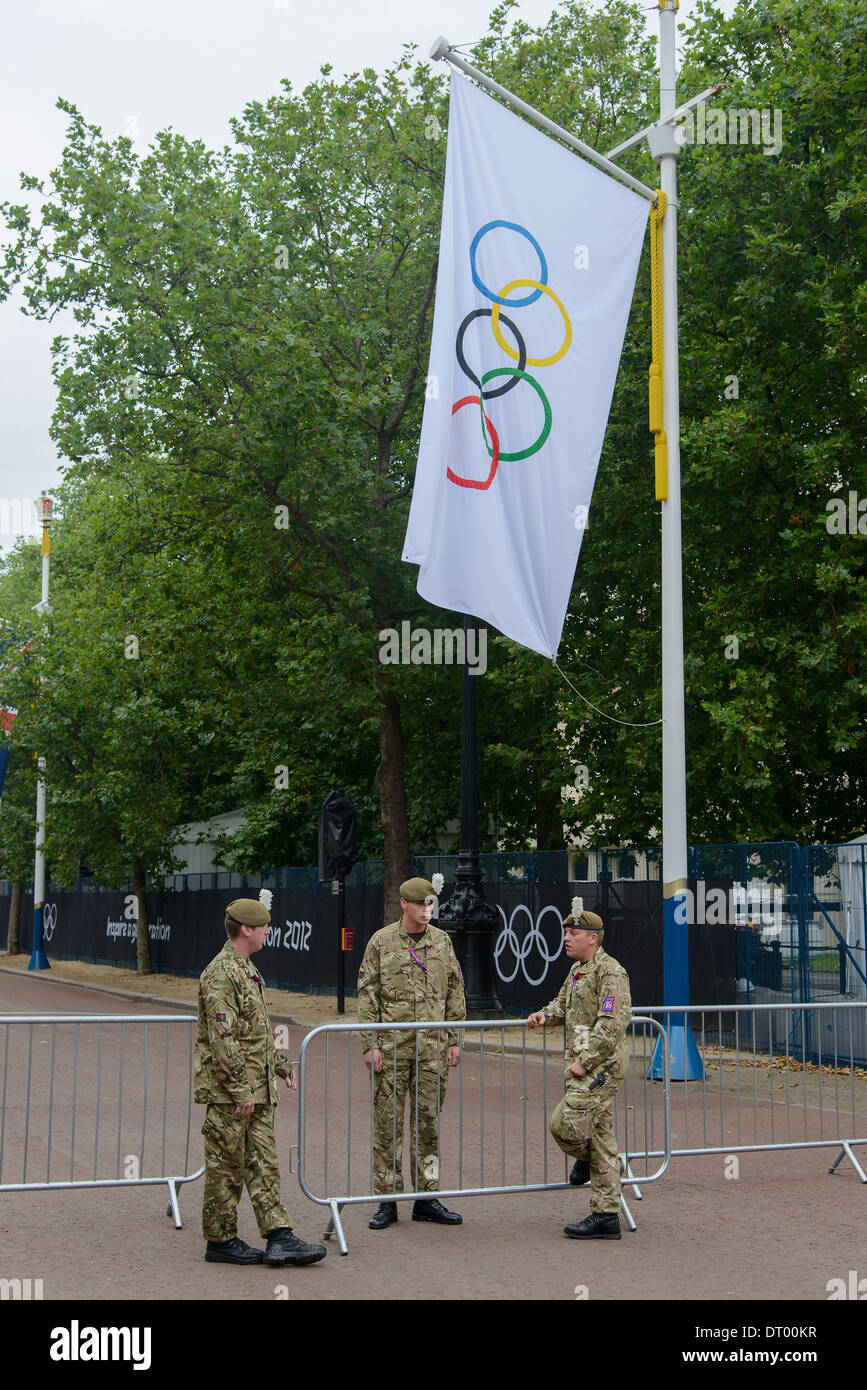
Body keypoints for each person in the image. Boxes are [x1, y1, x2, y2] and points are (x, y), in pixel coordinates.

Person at [195, 894, 326, 1266]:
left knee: (263, 1162)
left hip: (256, 1088)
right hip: (232, 1092)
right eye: (264, 926)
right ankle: (220, 1241)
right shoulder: (222, 974)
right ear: (246, 929)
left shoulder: (247, 970)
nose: (269, 931)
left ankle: (279, 1236)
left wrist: (281, 1067)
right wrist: (239, 1089)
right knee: (227, 1166)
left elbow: (256, 1034)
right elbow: (224, 1040)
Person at [357, 876, 466, 1230]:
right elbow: (368, 994)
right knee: (388, 1126)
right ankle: (386, 1199)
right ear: (404, 904)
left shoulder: (442, 942)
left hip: (432, 1050)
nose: (427, 911)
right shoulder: (382, 942)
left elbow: (454, 991)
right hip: (391, 1049)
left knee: (429, 1125)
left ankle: (427, 1196)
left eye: (431, 905)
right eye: (421, 905)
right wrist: (369, 1045)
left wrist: (454, 1039)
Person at [528, 899, 631, 1239]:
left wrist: (582, 1063)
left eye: (574, 933)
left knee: (565, 1123)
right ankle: (606, 1215)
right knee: (600, 1136)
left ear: (594, 938)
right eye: (566, 933)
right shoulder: (577, 970)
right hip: (583, 1066)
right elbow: (562, 1002)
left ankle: (590, 1163)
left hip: (600, 1067)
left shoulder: (610, 972)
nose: (567, 939)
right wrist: (546, 1014)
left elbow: (611, 1025)